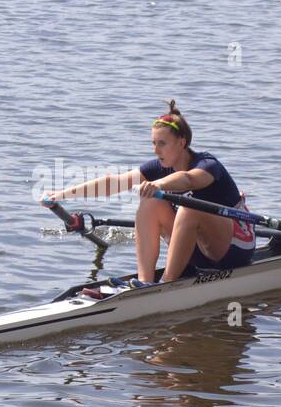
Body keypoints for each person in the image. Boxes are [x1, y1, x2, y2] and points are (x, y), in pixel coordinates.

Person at [45, 100, 256, 284]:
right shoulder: (158, 166)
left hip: (234, 249)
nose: (156, 151)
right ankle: (145, 282)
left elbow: (188, 179)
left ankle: (167, 283)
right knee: (149, 202)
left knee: (188, 208)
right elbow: (115, 182)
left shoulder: (208, 165)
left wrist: (159, 185)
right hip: (199, 250)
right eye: (154, 143)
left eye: (162, 144)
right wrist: (62, 194)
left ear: (181, 143)